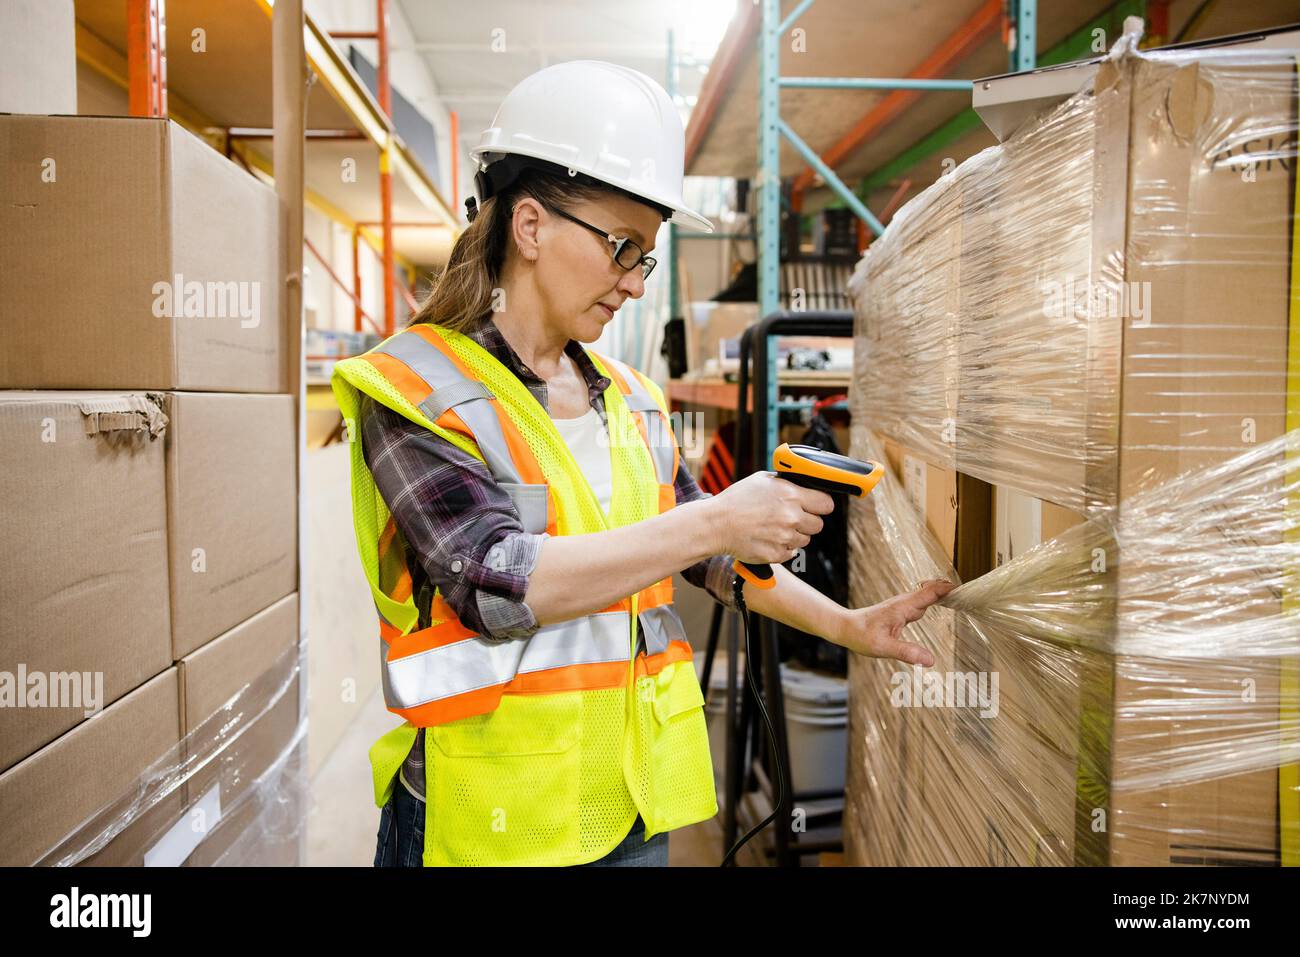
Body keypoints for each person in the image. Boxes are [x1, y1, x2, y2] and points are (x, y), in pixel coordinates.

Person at [332, 60, 951, 868]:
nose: (631, 282)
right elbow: (493, 581)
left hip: (632, 808)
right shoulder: (414, 388)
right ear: (529, 225)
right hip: (489, 819)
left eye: (644, 258)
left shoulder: (631, 398)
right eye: (622, 247)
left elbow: (712, 557)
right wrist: (718, 515)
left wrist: (846, 624)